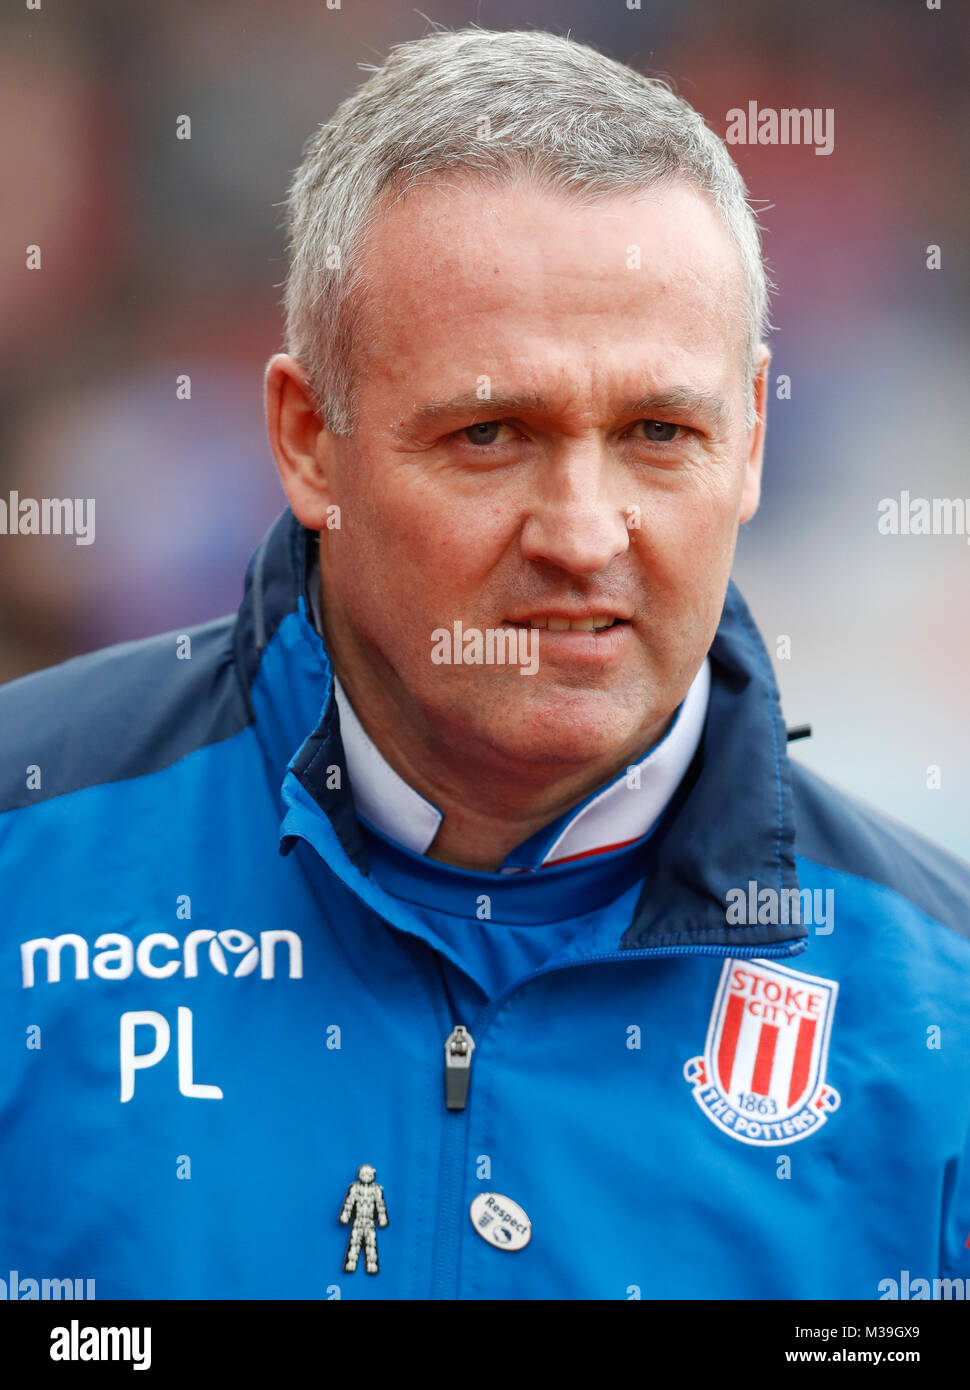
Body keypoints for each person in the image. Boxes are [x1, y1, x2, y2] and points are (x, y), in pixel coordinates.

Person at [1, 27, 968, 1302]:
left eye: (658, 431)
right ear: (307, 439)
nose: (579, 534)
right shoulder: (30, 860)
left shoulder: (931, 1008)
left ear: (748, 445)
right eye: (491, 431)